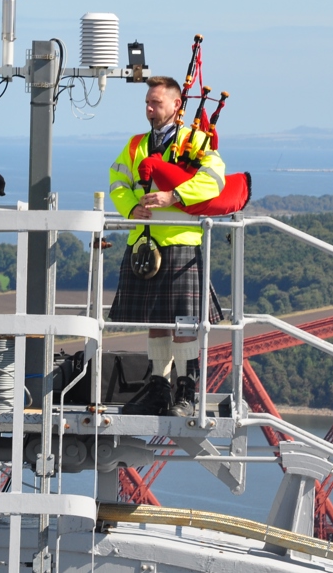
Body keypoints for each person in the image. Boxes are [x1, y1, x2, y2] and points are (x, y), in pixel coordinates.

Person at [107, 76, 225, 416]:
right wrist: (131, 206)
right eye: (147, 102)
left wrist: (173, 195)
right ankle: (158, 386)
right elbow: (118, 181)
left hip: (181, 243)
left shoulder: (197, 141)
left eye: (156, 103)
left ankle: (185, 389)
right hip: (144, 243)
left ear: (176, 106)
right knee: (155, 321)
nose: (149, 108)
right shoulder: (134, 145)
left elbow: (213, 181)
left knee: (184, 322)